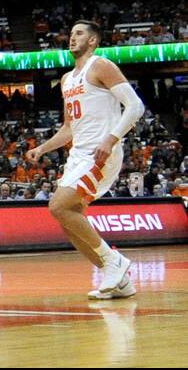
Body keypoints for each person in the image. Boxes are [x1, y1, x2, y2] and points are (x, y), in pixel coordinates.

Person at [26, 20, 145, 300]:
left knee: (59, 206)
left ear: (93, 41)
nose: (72, 38)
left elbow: (135, 106)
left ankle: (114, 261)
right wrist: (42, 148)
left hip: (102, 151)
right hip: (79, 153)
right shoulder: (67, 79)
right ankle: (120, 283)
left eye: (79, 34)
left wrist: (111, 138)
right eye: (70, 34)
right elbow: (69, 128)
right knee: (70, 220)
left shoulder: (100, 65)